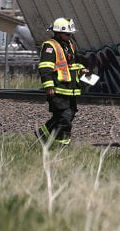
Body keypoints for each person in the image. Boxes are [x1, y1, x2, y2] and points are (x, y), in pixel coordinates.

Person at [36, 17, 89, 147]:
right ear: (58, 33)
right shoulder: (50, 46)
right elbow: (45, 67)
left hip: (71, 89)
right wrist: (48, 86)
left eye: (71, 34)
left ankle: (43, 134)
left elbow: (73, 63)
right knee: (65, 119)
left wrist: (82, 70)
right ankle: (62, 147)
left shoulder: (69, 45)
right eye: (67, 34)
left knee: (66, 116)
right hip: (58, 89)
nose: (70, 36)